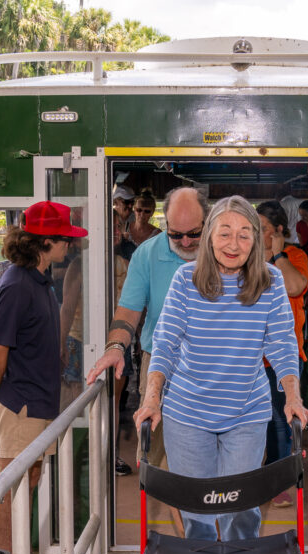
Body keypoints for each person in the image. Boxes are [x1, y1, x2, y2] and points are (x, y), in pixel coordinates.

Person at [135, 195, 308, 542]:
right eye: (225, 232)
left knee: (241, 508)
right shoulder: (186, 280)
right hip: (187, 411)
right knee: (194, 507)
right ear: (210, 235)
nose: (234, 243)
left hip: (246, 411)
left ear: (257, 241)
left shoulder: (271, 282)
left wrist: (293, 396)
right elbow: (165, 343)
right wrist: (152, 399)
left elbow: (282, 344)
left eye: (245, 234)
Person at [0, 201, 88, 554]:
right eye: (64, 240)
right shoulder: (16, 286)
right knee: (11, 490)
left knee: (32, 478)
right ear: (45, 242)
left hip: (39, 401)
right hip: (21, 403)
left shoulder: (39, 279)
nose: (69, 246)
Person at [86, 186, 210, 535]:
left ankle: (210, 545)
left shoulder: (227, 248)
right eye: (176, 235)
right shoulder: (146, 255)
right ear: (163, 223)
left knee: (210, 463)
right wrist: (115, 345)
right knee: (164, 464)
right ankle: (192, 544)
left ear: (208, 220)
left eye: (194, 234)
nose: (186, 243)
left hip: (214, 368)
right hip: (161, 366)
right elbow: (128, 312)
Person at [256, 201, 308, 507]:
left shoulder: (294, 256)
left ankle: (275, 480)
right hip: (250, 356)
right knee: (252, 420)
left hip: (284, 357)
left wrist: (277, 254)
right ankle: (256, 475)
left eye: (263, 228)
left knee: (280, 420)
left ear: (278, 231)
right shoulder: (245, 258)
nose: (257, 234)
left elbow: (294, 287)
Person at [112, 186, 137, 260]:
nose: (130, 206)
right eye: (126, 202)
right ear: (115, 202)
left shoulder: (134, 218)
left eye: (132, 202)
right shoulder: (108, 218)